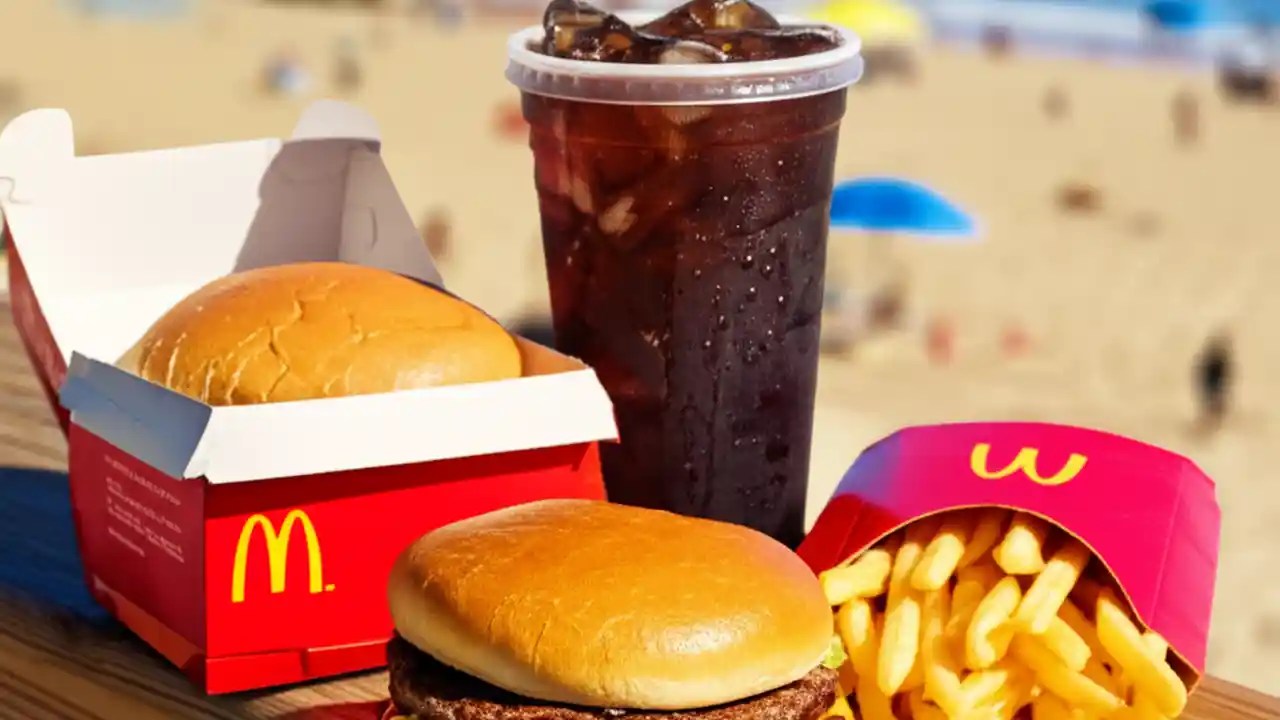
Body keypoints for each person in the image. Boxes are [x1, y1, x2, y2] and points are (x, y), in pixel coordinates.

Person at [1194, 330, 1234, 432]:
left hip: (1213, 386)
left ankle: (1211, 422)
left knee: (1212, 402)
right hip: (1213, 386)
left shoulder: (1216, 361)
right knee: (1213, 402)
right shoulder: (1217, 361)